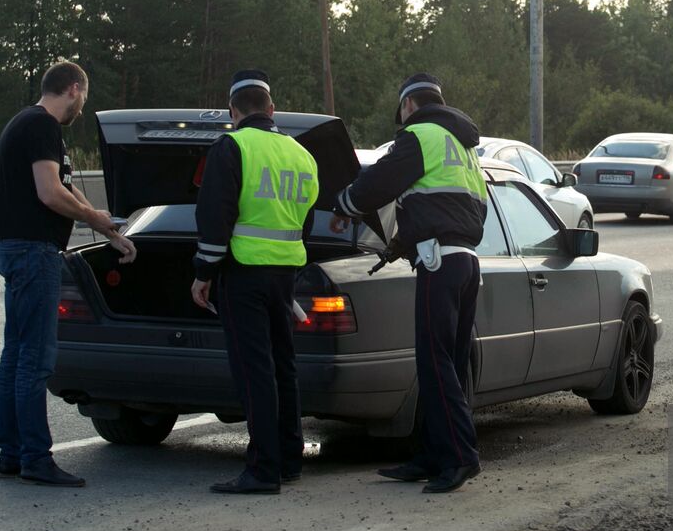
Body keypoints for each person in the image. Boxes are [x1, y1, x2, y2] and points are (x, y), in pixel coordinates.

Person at [329, 72, 486, 494]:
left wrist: (342, 204)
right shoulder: (462, 146)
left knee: (435, 364)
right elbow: (465, 207)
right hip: (465, 261)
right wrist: (406, 238)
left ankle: (460, 456)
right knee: (449, 364)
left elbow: (378, 182)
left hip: (440, 263)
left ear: (409, 105)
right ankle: (434, 455)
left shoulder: (419, 135)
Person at [0, 59, 136, 487]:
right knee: (35, 360)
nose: (82, 107)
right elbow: (50, 192)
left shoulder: (25, 123)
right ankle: (36, 458)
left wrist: (107, 229)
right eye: (83, 97)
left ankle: (11, 454)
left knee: (15, 355)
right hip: (34, 252)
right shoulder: (42, 125)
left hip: (17, 249)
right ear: (73, 88)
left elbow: (66, 186)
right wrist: (94, 218)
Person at [191, 69, 318, 495]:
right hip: (285, 275)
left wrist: (204, 272)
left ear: (233, 110)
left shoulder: (232, 146)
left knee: (254, 370)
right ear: (271, 108)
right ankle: (288, 459)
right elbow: (306, 220)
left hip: (243, 272)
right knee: (283, 366)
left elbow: (215, 215)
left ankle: (263, 469)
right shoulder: (301, 154)